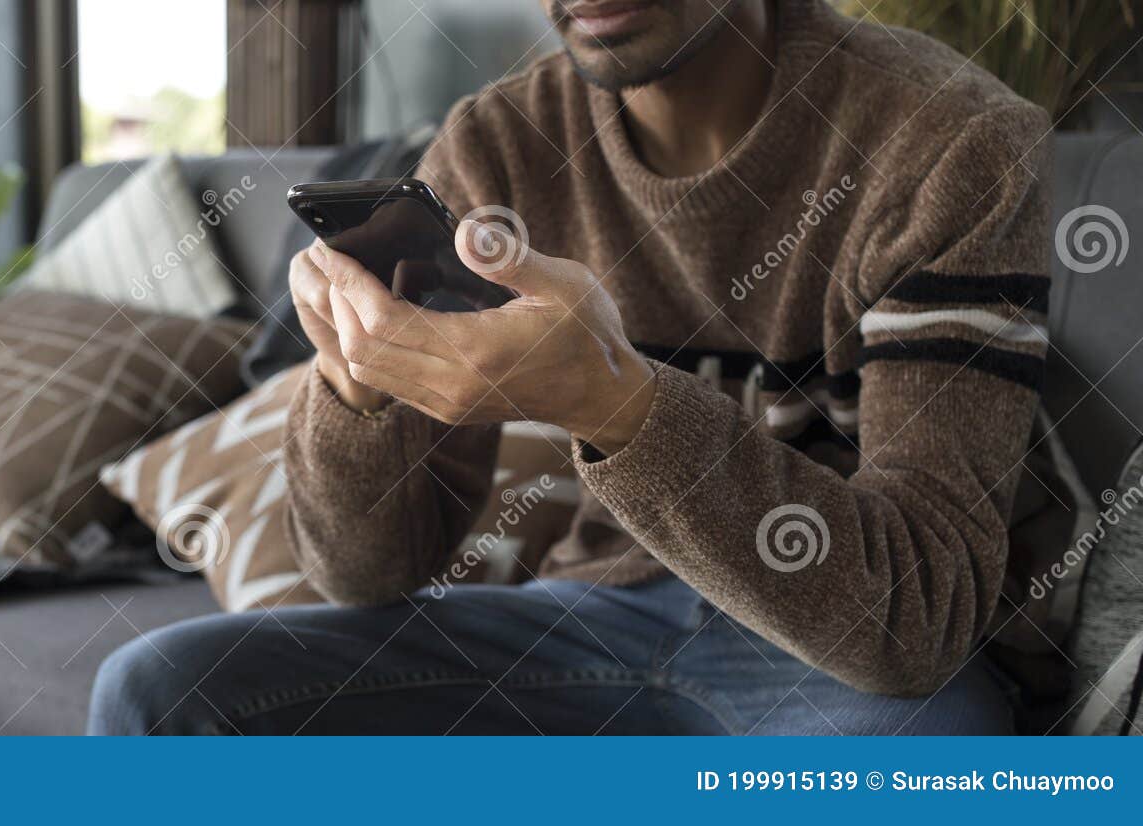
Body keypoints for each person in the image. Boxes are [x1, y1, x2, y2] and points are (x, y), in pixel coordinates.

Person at [90, 0, 1050, 735]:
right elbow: (366, 576)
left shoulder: (950, 144)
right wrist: (352, 386)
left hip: (845, 664)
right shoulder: (501, 143)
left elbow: (921, 619)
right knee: (161, 691)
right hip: (591, 621)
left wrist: (619, 404)